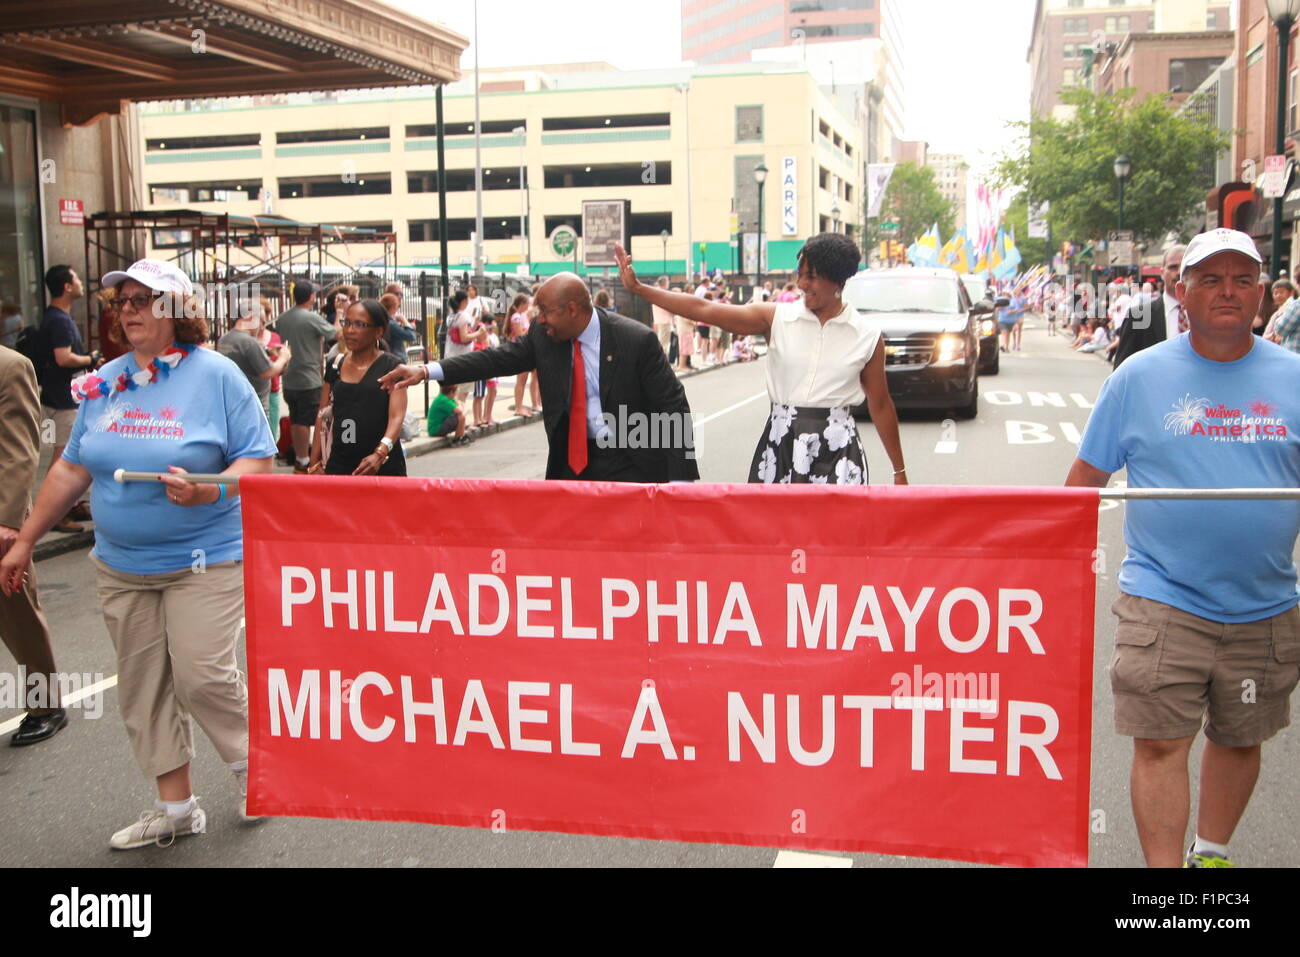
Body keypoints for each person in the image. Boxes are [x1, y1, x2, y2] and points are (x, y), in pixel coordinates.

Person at [0, 258, 277, 849]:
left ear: (177, 309)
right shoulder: (107, 380)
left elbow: (258, 459)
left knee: (202, 674)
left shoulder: (218, 375)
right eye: (118, 303)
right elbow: (72, 466)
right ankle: (175, 808)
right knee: (143, 684)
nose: (125, 312)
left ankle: (254, 769)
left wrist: (210, 489)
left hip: (206, 556)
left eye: (139, 301)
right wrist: (25, 541)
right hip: (122, 564)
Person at [1066, 228, 1300, 868]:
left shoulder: (1296, 377)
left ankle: (1212, 856)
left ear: (1261, 292)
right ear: (1182, 292)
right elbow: (1082, 485)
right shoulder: (1137, 378)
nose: (1229, 291)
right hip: (1162, 602)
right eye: (1211, 279)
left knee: (1240, 736)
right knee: (1161, 744)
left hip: (1267, 605)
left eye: (1243, 279)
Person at [614, 233, 906, 485]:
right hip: (781, 445)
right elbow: (705, 309)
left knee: (835, 539)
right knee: (776, 537)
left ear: (838, 281)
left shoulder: (866, 335)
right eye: (800, 274)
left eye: (812, 276)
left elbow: (880, 404)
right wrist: (640, 289)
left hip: (839, 451)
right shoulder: (776, 318)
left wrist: (899, 471)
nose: (802, 284)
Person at [380, 273, 699, 483]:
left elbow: (673, 406)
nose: (539, 319)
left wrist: (681, 482)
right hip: (573, 466)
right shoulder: (544, 336)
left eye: (545, 311)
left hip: (632, 461)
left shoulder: (635, 340)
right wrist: (425, 370)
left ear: (573, 309)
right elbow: (495, 359)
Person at [0, 342, 66, 746]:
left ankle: (45, 705)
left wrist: (8, 521)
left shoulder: (11, 366)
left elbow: (20, 450)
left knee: (17, 614)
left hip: (1, 520)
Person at [311, 299, 408, 476]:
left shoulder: (393, 366)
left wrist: (380, 454)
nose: (349, 330)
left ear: (378, 331)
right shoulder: (335, 364)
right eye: (346, 323)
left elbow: (397, 416)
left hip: (382, 467)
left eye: (359, 324)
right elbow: (322, 415)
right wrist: (314, 462)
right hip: (340, 465)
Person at [39, 265, 99, 532]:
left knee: (64, 452)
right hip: (62, 401)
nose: (80, 283)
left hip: (55, 398)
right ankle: (56, 515)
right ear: (66, 287)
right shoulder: (60, 320)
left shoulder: (52, 316)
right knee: (63, 456)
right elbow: (63, 358)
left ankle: (71, 505)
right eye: (76, 279)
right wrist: (92, 360)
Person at [275, 280, 337, 473]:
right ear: (310, 296)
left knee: (296, 418)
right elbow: (336, 334)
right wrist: (340, 312)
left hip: (289, 376)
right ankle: (311, 459)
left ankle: (302, 457)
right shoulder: (311, 317)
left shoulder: (283, 318)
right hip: (309, 377)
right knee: (313, 419)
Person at [1111, 245, 1187, 369]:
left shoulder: (1207, 315)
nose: (1179, 272)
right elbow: (1122, 371)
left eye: (1184, 267)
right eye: (1173, 267)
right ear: (1162, 272)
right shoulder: (1139, 316)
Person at [218, 299, 291, 420]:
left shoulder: (225, 339)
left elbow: (242, 356)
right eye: (261, 321)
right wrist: (284, 357)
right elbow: (268, 372)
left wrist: (268, 350)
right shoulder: (249, 342)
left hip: (233, 406)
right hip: (255, 410)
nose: (262, 327)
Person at [507, 293, 541, 416]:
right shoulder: (516, 317)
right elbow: (519, 334)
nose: (528, 306)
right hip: (520, 349)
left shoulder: (522, 316)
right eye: (527, 304)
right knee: (521, 380)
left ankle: (527, 405)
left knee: (525, 379)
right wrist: (531, 328)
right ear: (522, 304)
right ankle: (518, 406)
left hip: (525, 349)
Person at [426, 380, 470, 446]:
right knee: (461, 416)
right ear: (451, 392)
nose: (456, 395)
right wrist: (461, 405)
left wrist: (461, 405)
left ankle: (461, 436)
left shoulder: (446, 398)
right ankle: (458, 438)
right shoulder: (443, 399)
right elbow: (460, 410)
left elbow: (460, 406)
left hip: (438, 427)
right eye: (455, 392)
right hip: (436, 429)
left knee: (460, 415)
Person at [380, 292, 416, 361]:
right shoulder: (391, 324)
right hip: (396, 358)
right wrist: (405, 321)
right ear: (394, 307)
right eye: (398, 307)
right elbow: (411, 336)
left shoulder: (383, 320)